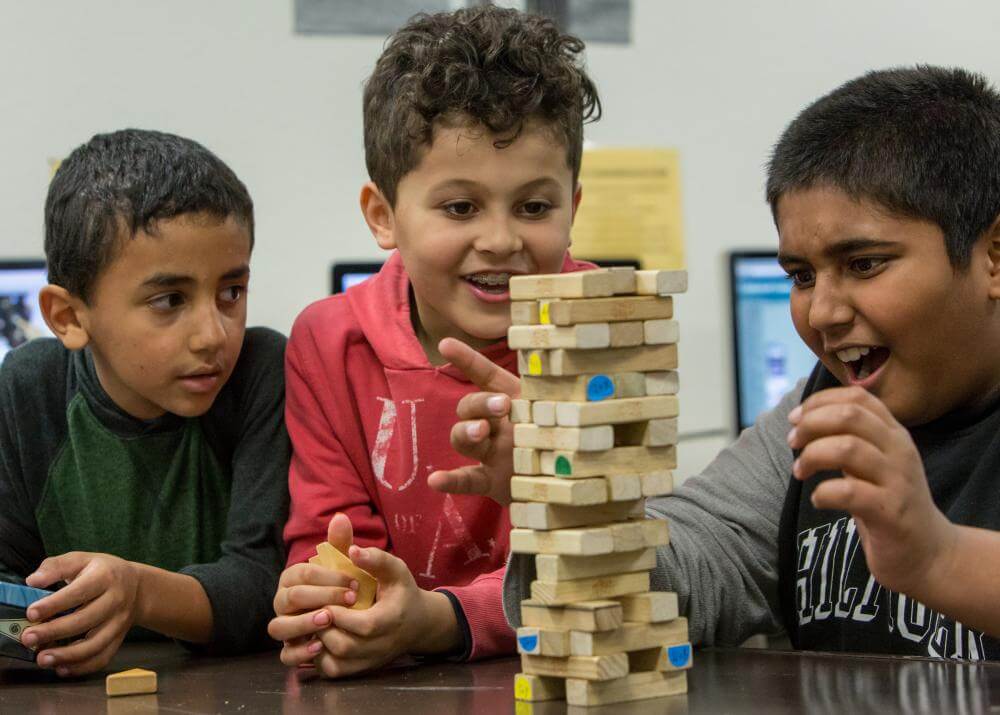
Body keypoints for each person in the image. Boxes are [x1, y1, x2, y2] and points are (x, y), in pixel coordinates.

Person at [436, 65, 1000, 660]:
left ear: (992, 256)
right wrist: (571, 497)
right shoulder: (816, 416)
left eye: (864, 264)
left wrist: (936, 558)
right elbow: (693, 566)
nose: (823, 312)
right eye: (802, 276)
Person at [267, 4, 600, 676]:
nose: (500, 240)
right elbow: (330, 545)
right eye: (460, 207)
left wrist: (439, 619)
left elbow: (603, 563)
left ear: (573, 207)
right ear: (383, 215)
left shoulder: (601, 326)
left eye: (535, 207)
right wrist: (332, 603)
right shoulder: (329, 344)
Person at [0, 129, 290, 676]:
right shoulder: (29, 388)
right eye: (169, 300)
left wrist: (139, 592)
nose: (213, 335)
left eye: (231, 292)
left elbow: (266, 582)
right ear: (69, 317)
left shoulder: (261, 372)